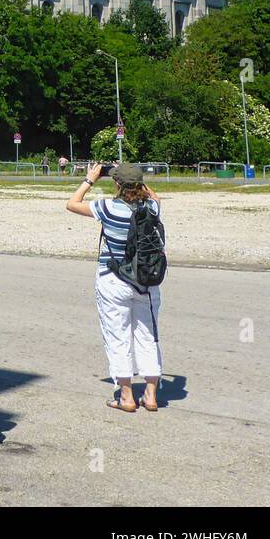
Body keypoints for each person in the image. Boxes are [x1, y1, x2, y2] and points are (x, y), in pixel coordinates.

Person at [65, 162, 164, 412]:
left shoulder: (108, 208)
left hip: (114, 279)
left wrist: (91, 179)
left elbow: (72, 203)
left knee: (117, 336)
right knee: (148, 335)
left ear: (117, 185)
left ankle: (127, 396)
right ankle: (151, 395)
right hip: (146, 281)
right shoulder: (151, 207)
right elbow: (155, 196)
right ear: (140, 184)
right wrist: (136, 179)